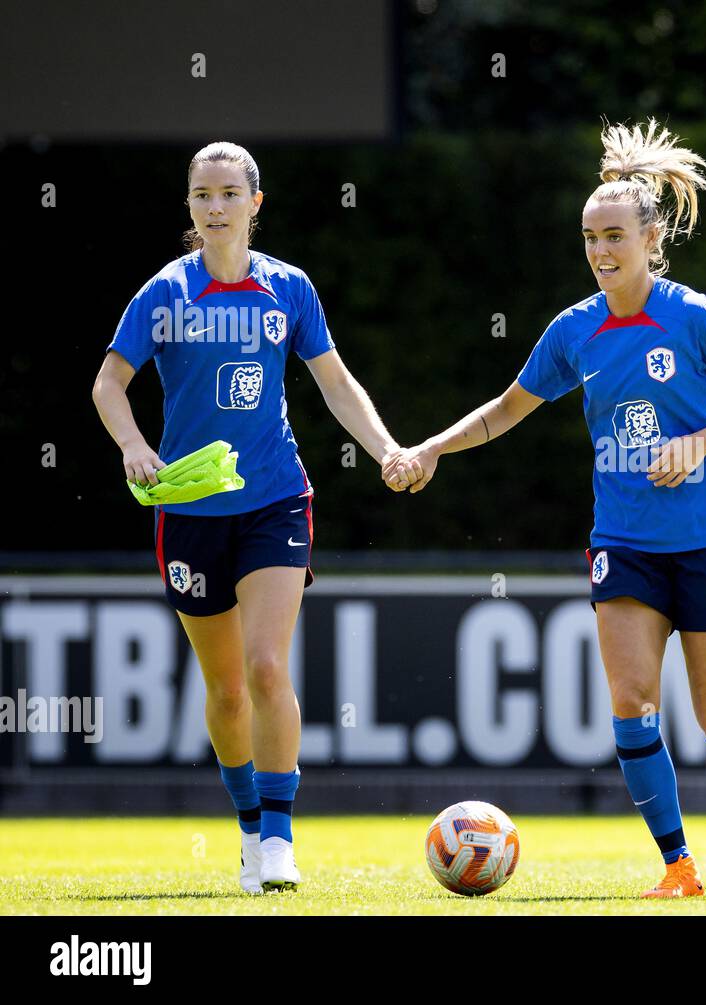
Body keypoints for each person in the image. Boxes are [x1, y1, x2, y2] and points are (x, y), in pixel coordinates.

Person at [384, 120, 706, 898]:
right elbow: (507, 408)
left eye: (615, 235)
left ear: (651, 237)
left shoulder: (692, 316)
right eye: (590, 238)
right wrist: (430, 449)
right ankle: (678, 866)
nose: (600, 251)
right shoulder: (575, 330)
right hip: (622, 543)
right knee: (632, 705)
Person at [92, 141, 406, 894]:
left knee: (268, 666)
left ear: (255, 204)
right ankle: (245, 825)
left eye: (230, 193)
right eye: (203, 194)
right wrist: (135, 446)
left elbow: (334, 382)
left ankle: (278, 839)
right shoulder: (164, 293)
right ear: (191, 206)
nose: (216, 207)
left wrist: (388, 448)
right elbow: (109, 383)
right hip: (191, 511)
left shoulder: (289, 289)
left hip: (274, 498)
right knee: (227, 688)